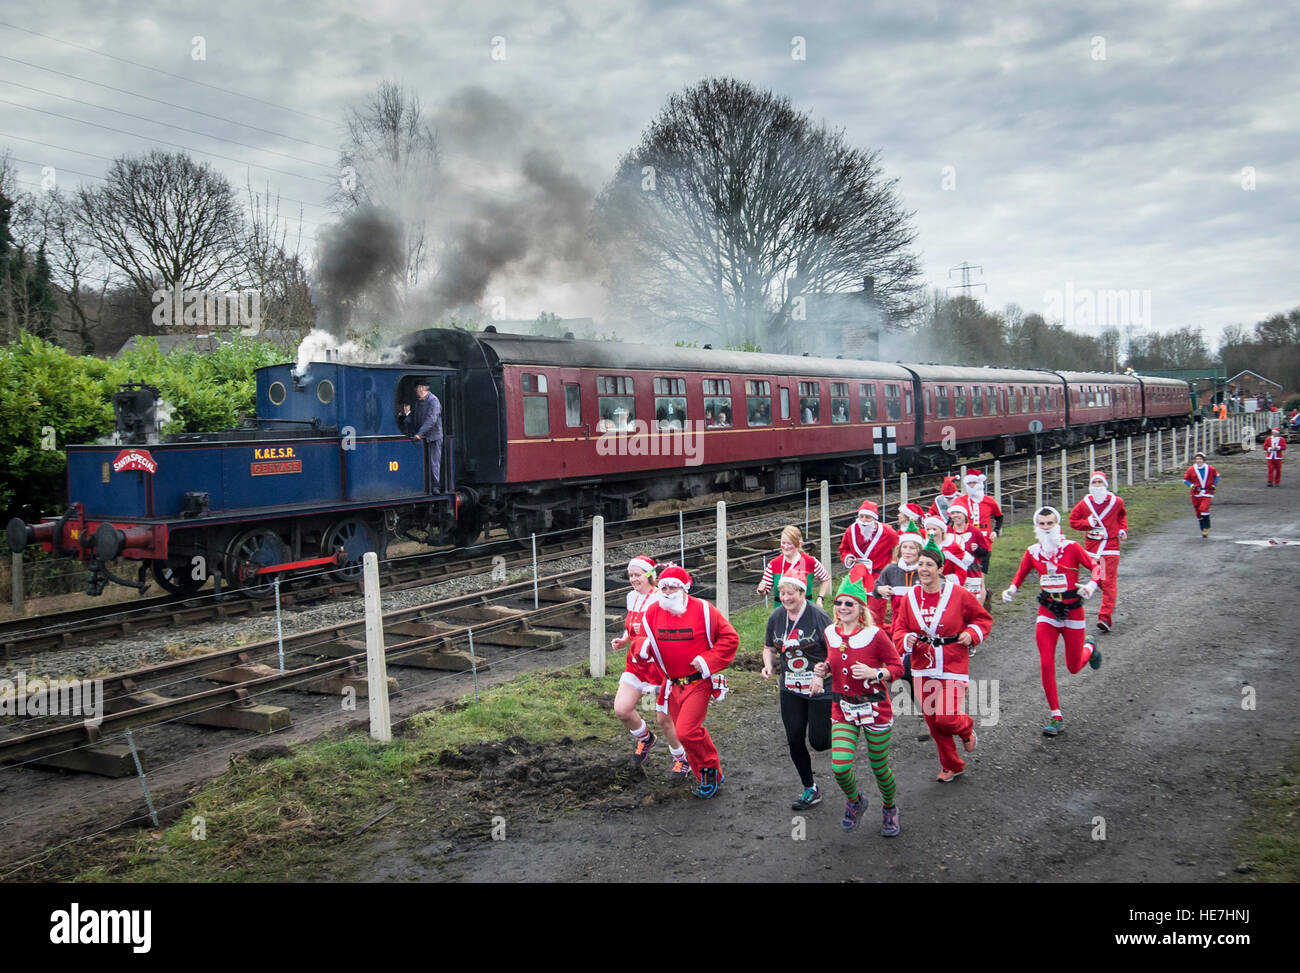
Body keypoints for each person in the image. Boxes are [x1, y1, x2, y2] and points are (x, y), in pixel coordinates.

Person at [811, 565, 904, 835]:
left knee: (879, 766)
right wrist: (824, 669)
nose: (841, 607)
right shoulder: (830, 633)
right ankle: (855, 801)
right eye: (838, 602)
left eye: (848, 603)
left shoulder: (876, 636)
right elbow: (833, 660)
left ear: (860, 607)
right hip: (843, 708)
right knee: (839, 767)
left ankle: (889, 808)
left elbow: (897, 668)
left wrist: (876, 673)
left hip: (875, 708)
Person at [891, 538, 993, 782]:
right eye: (921, 564)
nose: (924, 569)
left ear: (940, 569)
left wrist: (972, 633)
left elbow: (983, 619)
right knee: (933, 722)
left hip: (952, 662)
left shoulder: (958, 594)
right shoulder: (910, 598)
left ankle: (966, 728)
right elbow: (899, 629)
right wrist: (906, 640)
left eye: (929, 565)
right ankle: (952, 765)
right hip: (921, 665)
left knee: (946, 717)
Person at [1002, 506, 1103, 737]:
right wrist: (1012, 589)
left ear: (1057, 524)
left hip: (1072, 610)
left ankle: (1090, 647)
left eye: (1050, 523)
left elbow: (1097, 567)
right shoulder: (1032, 552)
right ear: (1036, 526)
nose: (1046, 528)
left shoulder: (1072, 548)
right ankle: (1055, 715)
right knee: (1046, 662)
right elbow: (1022, 572)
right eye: (1042, 524)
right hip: (1047, 610)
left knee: (1073, 667)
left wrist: (1090, 585)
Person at [641, 565, 739, 799]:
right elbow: (642, 639)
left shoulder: (705, 610)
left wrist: (707, 660)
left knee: (686, 731)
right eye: (662, 587)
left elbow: (730, 638)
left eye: (672, 586)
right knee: (685, 730)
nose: (667, 591)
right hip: (672, 684)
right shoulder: (653, 612)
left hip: (698, 682)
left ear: (685, 588)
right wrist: (642, 647)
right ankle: (708, 773)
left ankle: (708, 769)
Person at [609, 555, 690, 779]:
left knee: (665, 720)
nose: (633, 579)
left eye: (637, 575)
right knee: (622, 709)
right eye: (630, 575)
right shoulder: (630, 597)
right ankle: (645, 738)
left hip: (660, 666)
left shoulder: (660, 598)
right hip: (636, 663)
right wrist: (625, 640)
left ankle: (682, 759)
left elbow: (672, 626)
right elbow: (632, 624)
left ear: (649, 576)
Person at [761, 563, 834, 810]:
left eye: (791, 592)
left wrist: (821, 672)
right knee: (794, 739)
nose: (786, 598)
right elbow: (769, 646)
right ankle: (810, 788)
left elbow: (836, 651)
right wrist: (768, 665)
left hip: (819, 686)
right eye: (783, 593)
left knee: (820, 742)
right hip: (790, 687)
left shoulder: (818, 616)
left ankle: (843, 727)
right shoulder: (777, 616)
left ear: (803, 593)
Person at [1068, 471, 1128, 632]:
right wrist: (1087, 523)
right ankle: (1109, 595)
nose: (1097, 486)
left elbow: (1122, 517)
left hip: (1110, 548)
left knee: (1108, 582)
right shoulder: (1084, 504)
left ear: (1105, 485)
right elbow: (1073, 521)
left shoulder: (1116, 502)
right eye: (1094, 483)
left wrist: (1122, 530)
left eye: (1100, 483)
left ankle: (1104, 617)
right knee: (1102, 581)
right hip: (1092, 550)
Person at [837, 500, 898, 624]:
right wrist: (848, 558)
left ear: (875, 519)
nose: (864, 520)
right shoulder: (851, 530)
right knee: (854, 611)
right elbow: (844, 549)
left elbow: (898, 550)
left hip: (878, 577)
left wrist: (893, 569)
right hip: (857, 577)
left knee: (874, 614)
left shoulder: (888, 533)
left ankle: (880, 638)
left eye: (868, 517)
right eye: (861, 516)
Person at [757, 525, 832, 609]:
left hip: (806, 611)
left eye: (789, 543)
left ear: (798, 544)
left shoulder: (810, 561)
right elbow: (763, 591)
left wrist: (820, 598)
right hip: (781, 613)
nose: (785, 547)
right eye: (783, 543)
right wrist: (761, 590)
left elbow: (826, 578)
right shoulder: (774, 564)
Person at [947, 470, 1003, 560]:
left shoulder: (990, 501)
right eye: (969, 483)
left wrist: (996, 531)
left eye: (974, 482)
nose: (972, 485)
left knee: (981, 571)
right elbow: (951, 519)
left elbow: (999, 517)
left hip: (985, 541)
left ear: (980, 483)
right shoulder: (960, 501)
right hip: (965, 541)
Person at [409, 380, 443, 492]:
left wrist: (420, 433)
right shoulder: (417, 402)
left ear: (422, 388)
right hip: (421, 437)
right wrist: (403, 417)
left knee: (434, 462)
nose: (415, 390)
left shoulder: (434, 401)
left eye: (416, 388)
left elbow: (431, 419)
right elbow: (413, 417)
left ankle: (435, 485)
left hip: (433, 436)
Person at [1183, 451, 1220, 537]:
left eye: (1200, 459)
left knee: (1204, 508)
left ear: (1204, 460)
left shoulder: (1210, 468)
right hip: (1195, 493)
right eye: (1197, 459)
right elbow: (1185, 480)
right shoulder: (1191, 469)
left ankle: (1206, 527)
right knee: (1198, 511)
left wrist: (1214, 485)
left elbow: (1217, 475)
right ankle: (1202, 526)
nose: (1198, 461)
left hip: (1207, 492)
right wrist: (1192, 486)